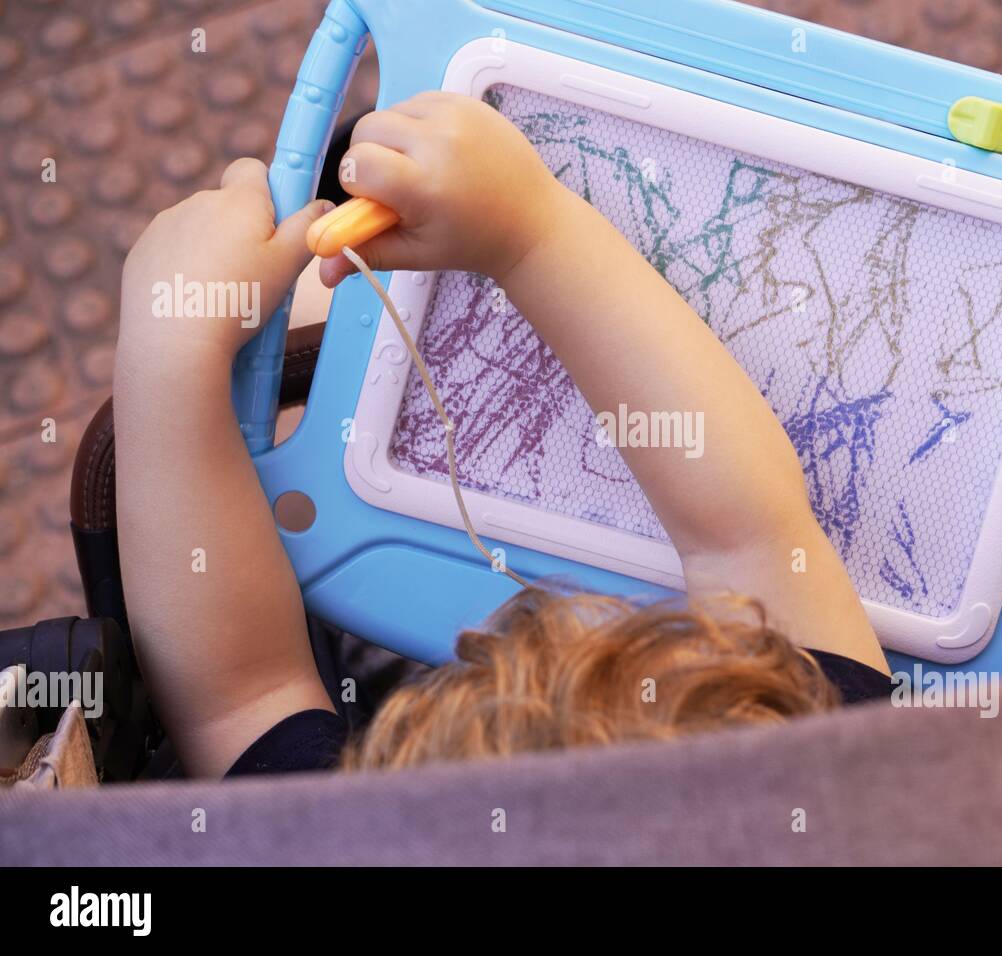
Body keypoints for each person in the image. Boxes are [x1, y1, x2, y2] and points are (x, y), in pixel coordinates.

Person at [113, 92, 891, 778]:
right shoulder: (826, 789)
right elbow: (752, 539)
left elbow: (244, 698)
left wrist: (169, 347)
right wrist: (529, 230)